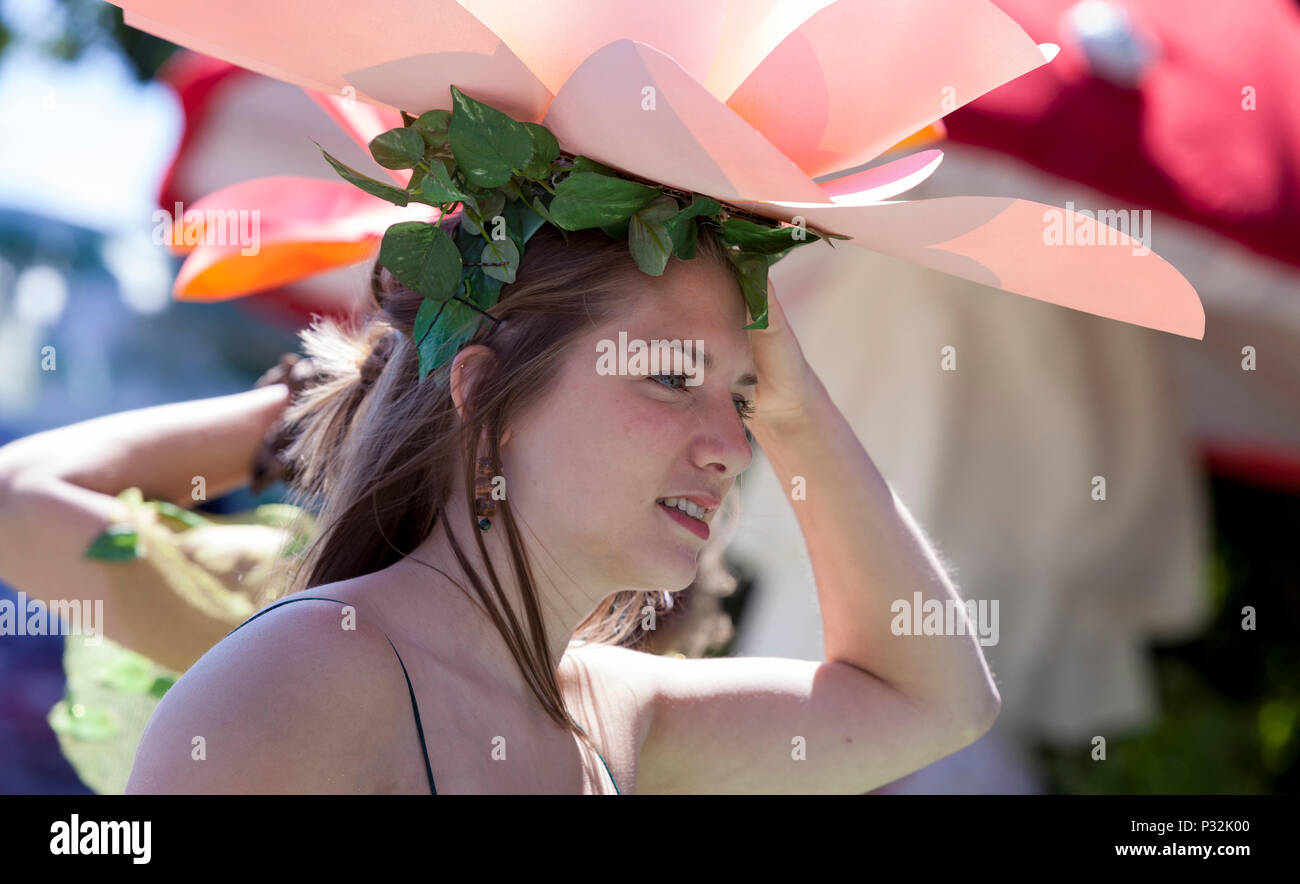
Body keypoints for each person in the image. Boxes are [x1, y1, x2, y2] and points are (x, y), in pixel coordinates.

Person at [1, 219, 999, 793]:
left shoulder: (616, 709)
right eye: (665, 376)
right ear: (484, 395)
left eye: (740, 401)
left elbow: (937, 704)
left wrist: (796, 401)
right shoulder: (301, 677)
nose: (733, 446)